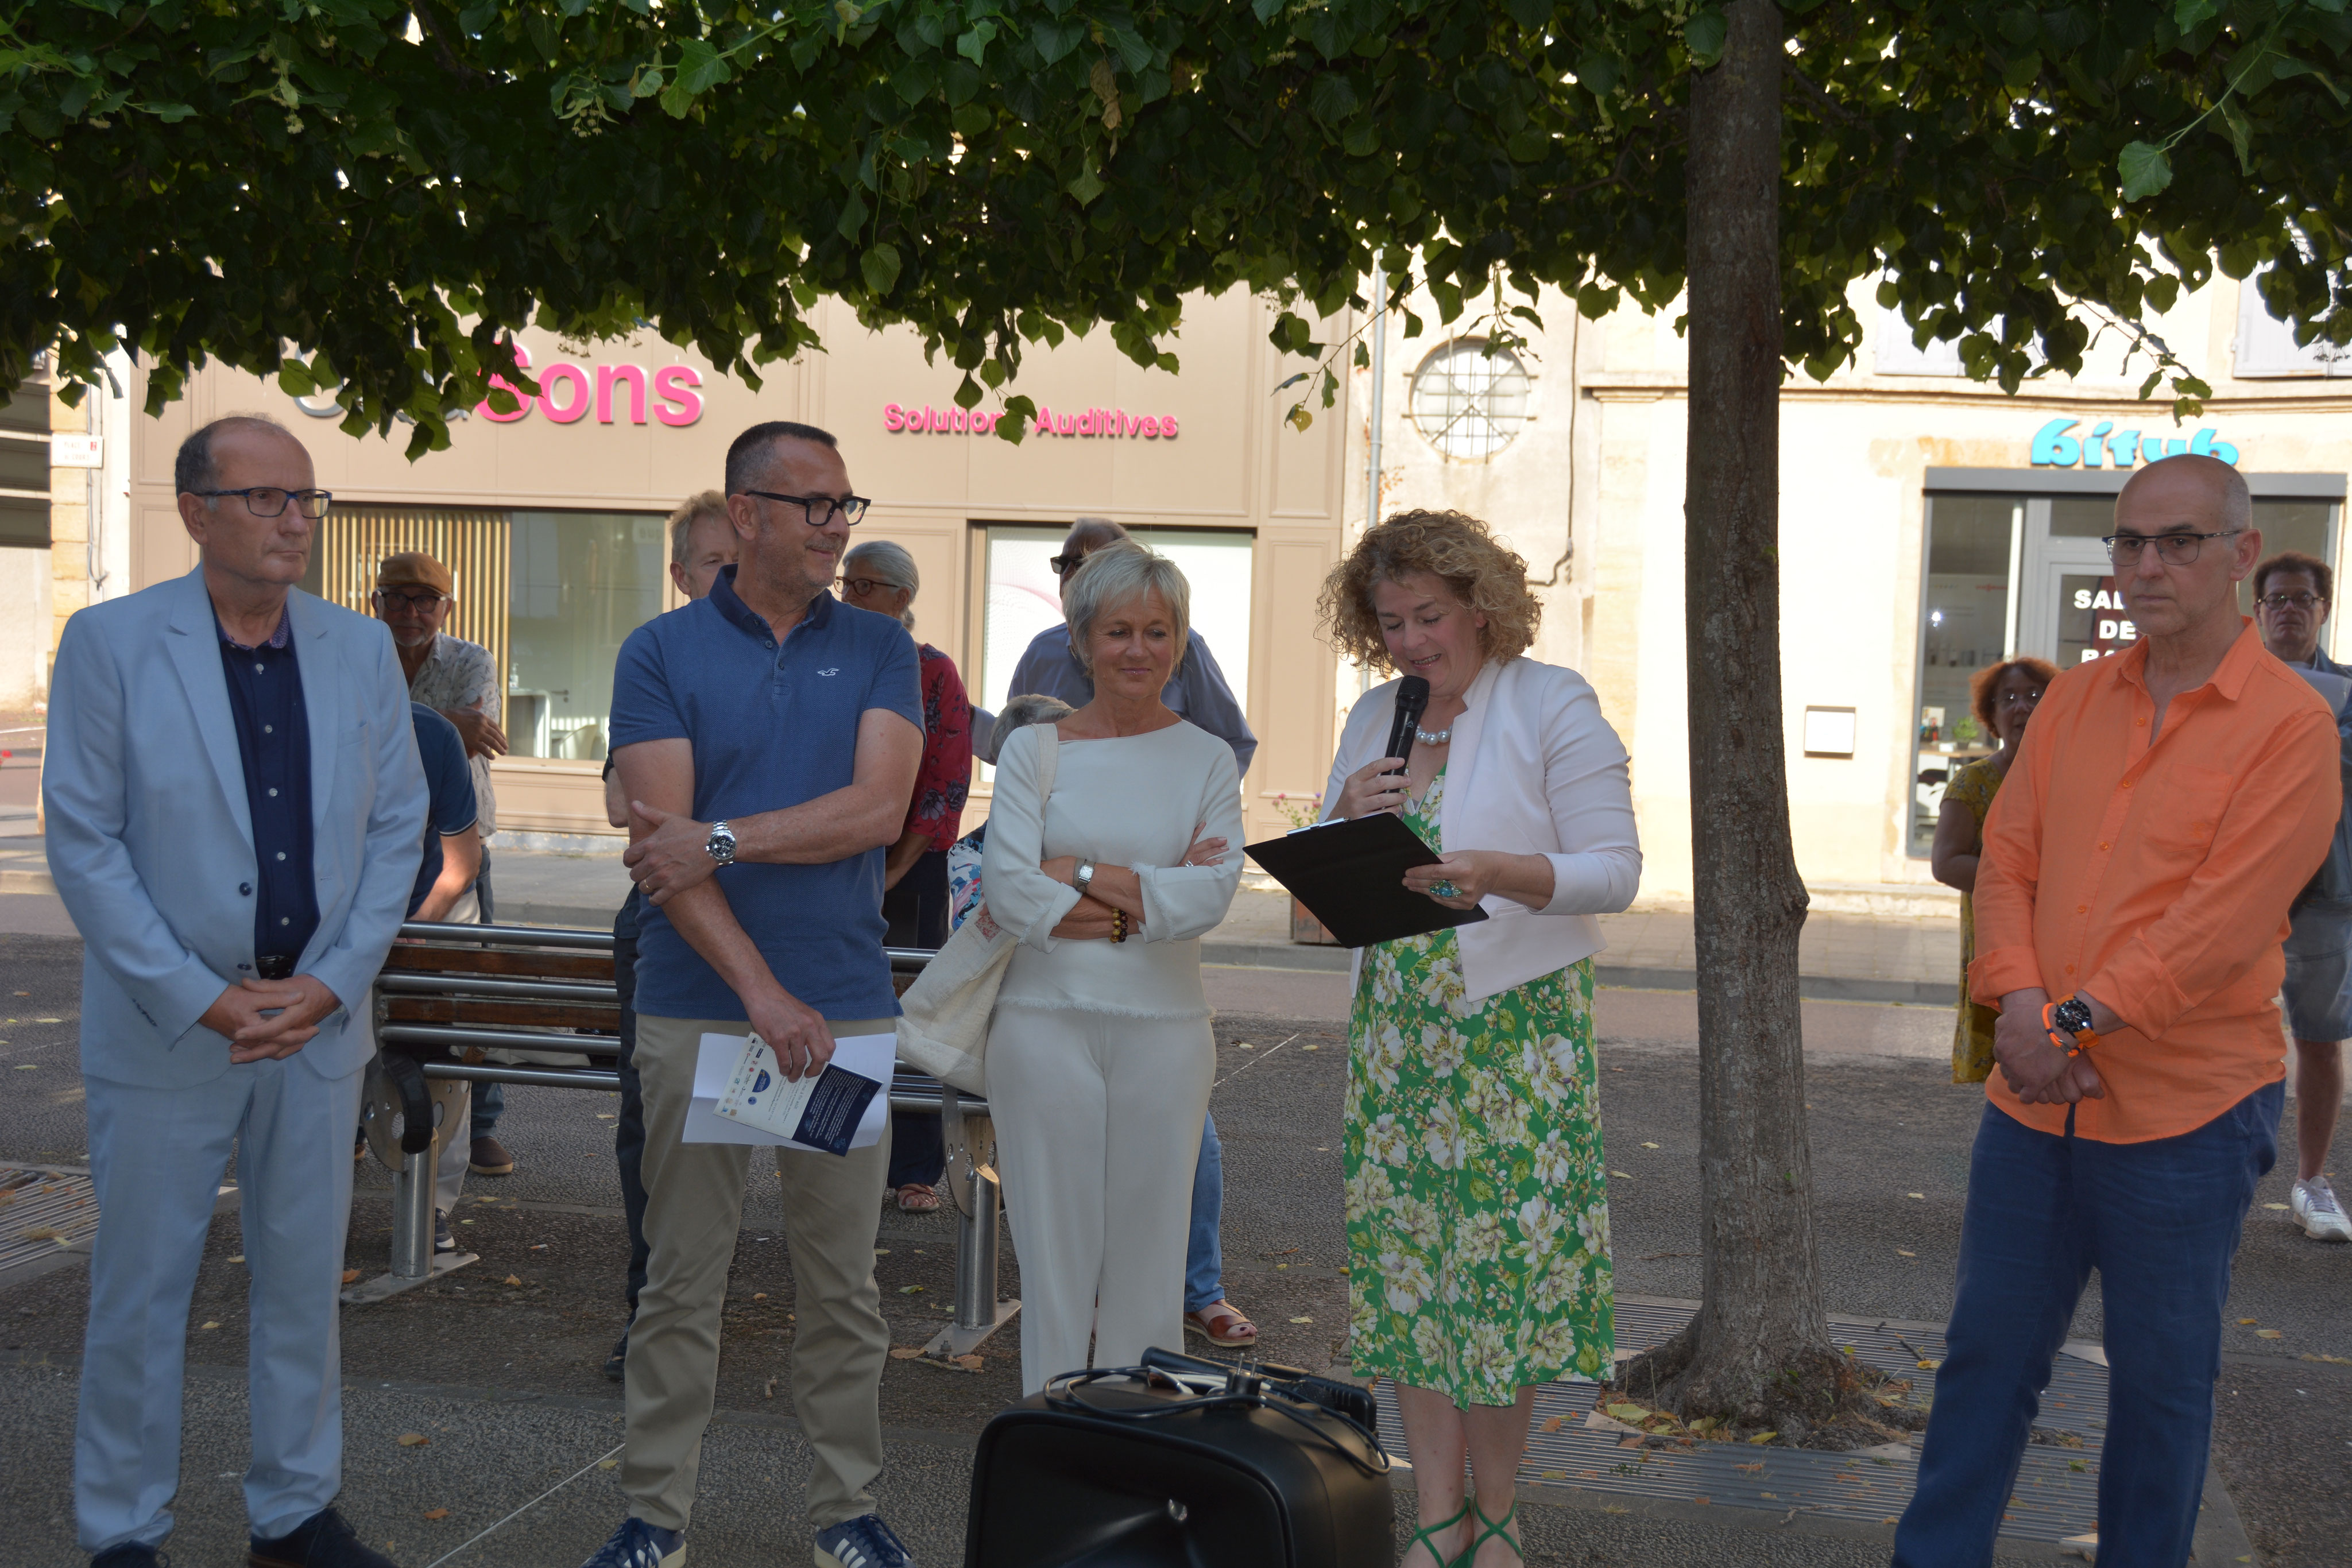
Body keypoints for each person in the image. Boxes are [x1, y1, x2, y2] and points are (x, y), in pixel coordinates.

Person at [1895, 455, 2341, 1567]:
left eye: (2176, 541)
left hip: (2186, 1116)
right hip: (2031, 1108)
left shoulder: (2288, 729)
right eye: (2127, 542)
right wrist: (2023, 1004)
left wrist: (2069, 1026)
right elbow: (2006, 862)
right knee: (1982, 1365)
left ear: (2238, 555)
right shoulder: (2076, 699)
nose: (2145, 565)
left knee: (2158, 1390)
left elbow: (2220, 923)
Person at [45, 415, 427, 1568]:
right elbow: (85, 842)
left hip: (314, 1029)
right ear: (196, 512)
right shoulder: (112, 643)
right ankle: (121, 1532)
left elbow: (399, 823)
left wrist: (329, 982)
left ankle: (294, 1514)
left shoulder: (357, 650)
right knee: (141, 1297)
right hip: (171, 1033)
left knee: (304, 1289)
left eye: (307, 500)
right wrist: (202, 997)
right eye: (267, 498)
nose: (295, 520)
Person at [595, 421, 926, 1568]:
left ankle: (845, 1510)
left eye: (846, 505)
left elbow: (876, 812)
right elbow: (658, 857)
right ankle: (653, 1518)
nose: (840, 526)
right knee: (680, 1281)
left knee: (842, 1289)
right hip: (705, 1010)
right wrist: (762, 997)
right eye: (815, 505)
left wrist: (725, 837)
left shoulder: (880, 650)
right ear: (745, 514)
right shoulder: (660, 651)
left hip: (839, 1011)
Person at [1317, 510, 1639, 1568]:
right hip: (1398, 1039)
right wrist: (1341, 826)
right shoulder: (1372, 718)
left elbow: (1616, 870)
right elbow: (1325, 902)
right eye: (1390, 623)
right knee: (1412, 1282)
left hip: (1514, 1037)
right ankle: (1435, 1519)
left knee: (1503, 1284)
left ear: (1482, 607)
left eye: (1428, 616)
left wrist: (1499, 871)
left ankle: (1498, 1519)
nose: (1409, 642)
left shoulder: (1552, 700)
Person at [981, 543, 1246, 1395]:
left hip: (1167, 1033)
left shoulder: (1207, 757)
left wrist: (1080, 871)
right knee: (1054, 1257)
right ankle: (1054, 1432)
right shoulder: (1033, 751)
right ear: (1083, 638)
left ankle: (1139, 1444)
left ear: (1180, 640)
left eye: (1158, 631)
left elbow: (1209, 898)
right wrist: (1147, 901)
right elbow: (1011, 891)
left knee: (1150, 1248)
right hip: (1040, 1022)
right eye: (1119, 630)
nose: (1139, 649)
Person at [599, 491, 738, 1381]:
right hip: (664, 923)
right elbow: (630, 806)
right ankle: (654, 1308)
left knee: (807, 1135)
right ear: (682, 574)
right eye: (717, 563)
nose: (737, 576)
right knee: (655, 1125)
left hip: (792, 921)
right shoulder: (654, 657)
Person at [836, 538, 973, 1214]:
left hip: (909, 866)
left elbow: (946, 782)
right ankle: (838, 1148)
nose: (848, 596)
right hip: (833, 859)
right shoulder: (827, 657)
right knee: (838, 1007)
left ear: (902, 597)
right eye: (846, 583)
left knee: (910, 1014)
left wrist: (895, 869)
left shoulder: (932, 672)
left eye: (863, 586)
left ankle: (915, 1168)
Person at [371, 549, 517, 1178]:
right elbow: (364, 732)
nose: (410, 611)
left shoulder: (470, 658)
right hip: (377, 840)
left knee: (465, 987)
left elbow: (466, 734)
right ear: (374, 603)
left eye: (424, 599)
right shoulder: (360, 654)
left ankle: (478, 1123)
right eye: (397, 598)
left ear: (446, 607)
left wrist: (408, 726)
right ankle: (364, 1116)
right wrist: (443, 724)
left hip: (459, 838)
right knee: (371, 980)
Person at [2252, 549, 2352, 1243]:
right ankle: (2215, 1163)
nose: (2289, 609)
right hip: (2237, 893)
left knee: (2318, 1041)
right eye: (2276, 599)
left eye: (2302, 599)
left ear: (2322, 609)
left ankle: (2312, 1180)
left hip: (2322, 894)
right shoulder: (2227, 685)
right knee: (2223, 1035)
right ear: (2256, 611)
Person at [1929, 657, 2057, 1083]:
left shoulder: (2071, 776)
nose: (2022, 707)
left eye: (2035, 696)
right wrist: (2023, 879)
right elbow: (1946, 862)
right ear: (1992, 716)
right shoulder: (1973, 782)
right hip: (1998, 934)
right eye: (2009, 699)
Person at [400, 700, 481, 1253]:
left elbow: (460, 863)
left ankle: (434, 1201)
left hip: (430, 907)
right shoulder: (317, 714)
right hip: (344, 914)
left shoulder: (433, 734)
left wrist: (417, 929)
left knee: (445, 1064)